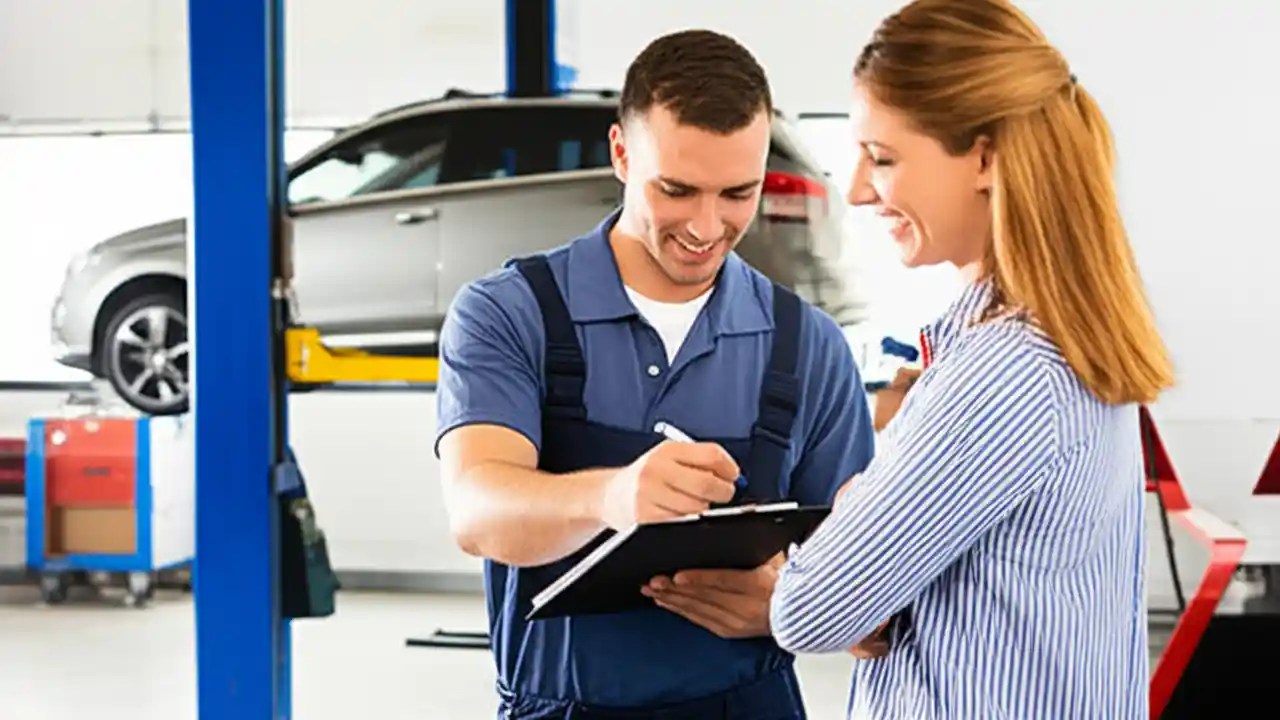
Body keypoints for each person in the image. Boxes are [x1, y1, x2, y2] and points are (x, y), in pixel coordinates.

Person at [434, 29, 876, 720]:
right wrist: (612, 498)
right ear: (620, 153)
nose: (707, 225)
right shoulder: (510, 313)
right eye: (677, 189)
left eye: (739, 192)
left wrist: (791, 606)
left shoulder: (808, 347)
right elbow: (477, 514)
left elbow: (860, 571)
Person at [769, 0, 1175, 718]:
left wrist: (861, 494)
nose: (860, 189)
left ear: (984, 158)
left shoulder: (1002, 374)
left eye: (883, 158)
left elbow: (810, 610)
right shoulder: (1062, 344)